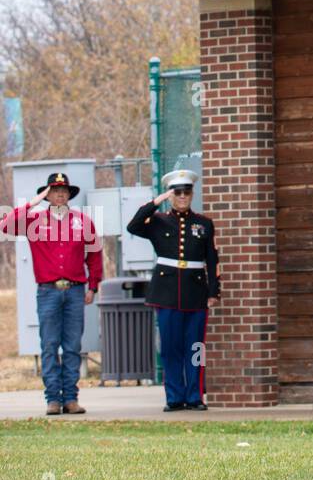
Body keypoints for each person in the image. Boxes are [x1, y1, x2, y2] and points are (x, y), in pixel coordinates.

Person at [0, 171, 102, 415]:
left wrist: (93, 286)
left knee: (72, 346)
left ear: (69, 195)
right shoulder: (35, 221)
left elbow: (95, 256)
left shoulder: (82, 222)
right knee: (49, 345)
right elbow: (6, 225)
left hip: (75, 291)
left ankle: (70, 398)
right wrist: (32, 203)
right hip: (48, 291)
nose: (59, 195)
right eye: (54, 191)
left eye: (63, 191)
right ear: (47, 195)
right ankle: (52, 399)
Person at [126, 169, 220, 411]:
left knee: (196, 349)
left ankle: (195, 396)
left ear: (192, 194)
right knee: (170, 349)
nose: (182, 197)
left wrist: (213, 292)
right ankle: (174, 397)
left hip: (196, 293)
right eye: (177, 192)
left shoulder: (204, 224)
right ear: (170, 195)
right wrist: (156, 201)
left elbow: (212, 259)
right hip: (166, 293)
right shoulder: (158, 221)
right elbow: (133, 225)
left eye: (186, 192)